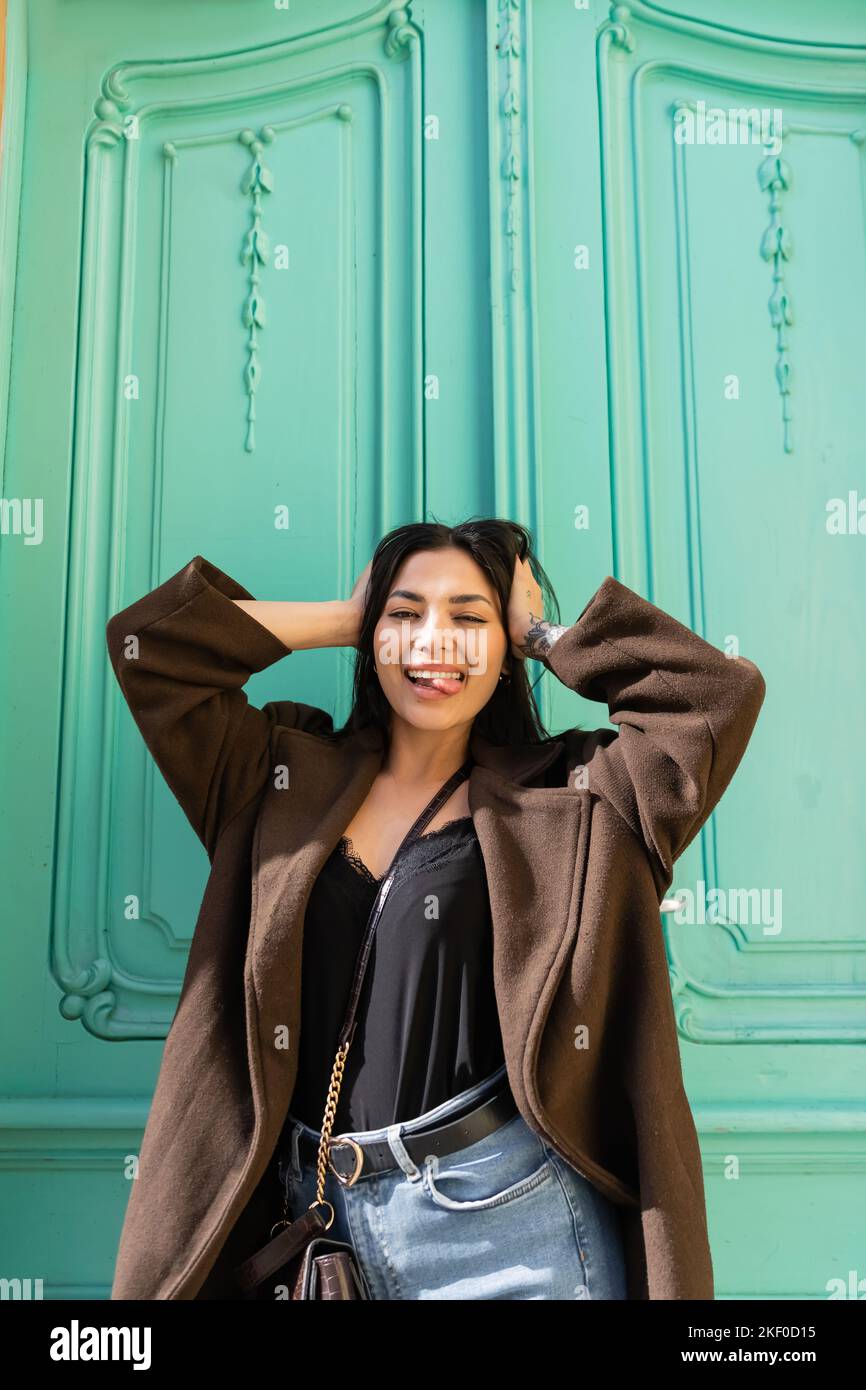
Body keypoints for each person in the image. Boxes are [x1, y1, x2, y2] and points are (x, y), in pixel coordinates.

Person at [106, 518, 766, 1299]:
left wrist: (545, 632)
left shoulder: (577, 795)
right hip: (314, 1227)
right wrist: (348, 619)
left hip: (509, 1225)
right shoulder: (277, 773)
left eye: (469, 618)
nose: (436, 641)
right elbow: (151, 648)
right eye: (406, 613)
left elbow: (715, 697)